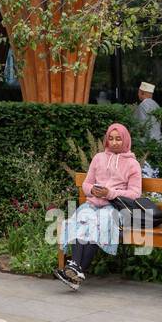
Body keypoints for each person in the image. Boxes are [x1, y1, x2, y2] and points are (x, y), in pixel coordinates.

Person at [54, 123, 142, 290]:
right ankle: (76, 270)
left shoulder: (132, 164)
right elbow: (86, 184)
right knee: (80, 219)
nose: (114, 142)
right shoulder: (98, 158)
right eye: (111, 138)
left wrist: (110, 193)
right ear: (106, 140)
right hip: (93, 203)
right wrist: (93, 189)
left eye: (118, 139)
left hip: (115, 209)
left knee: (98, 222)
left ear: (125, 140)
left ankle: (75, 270)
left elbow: (135, 193)